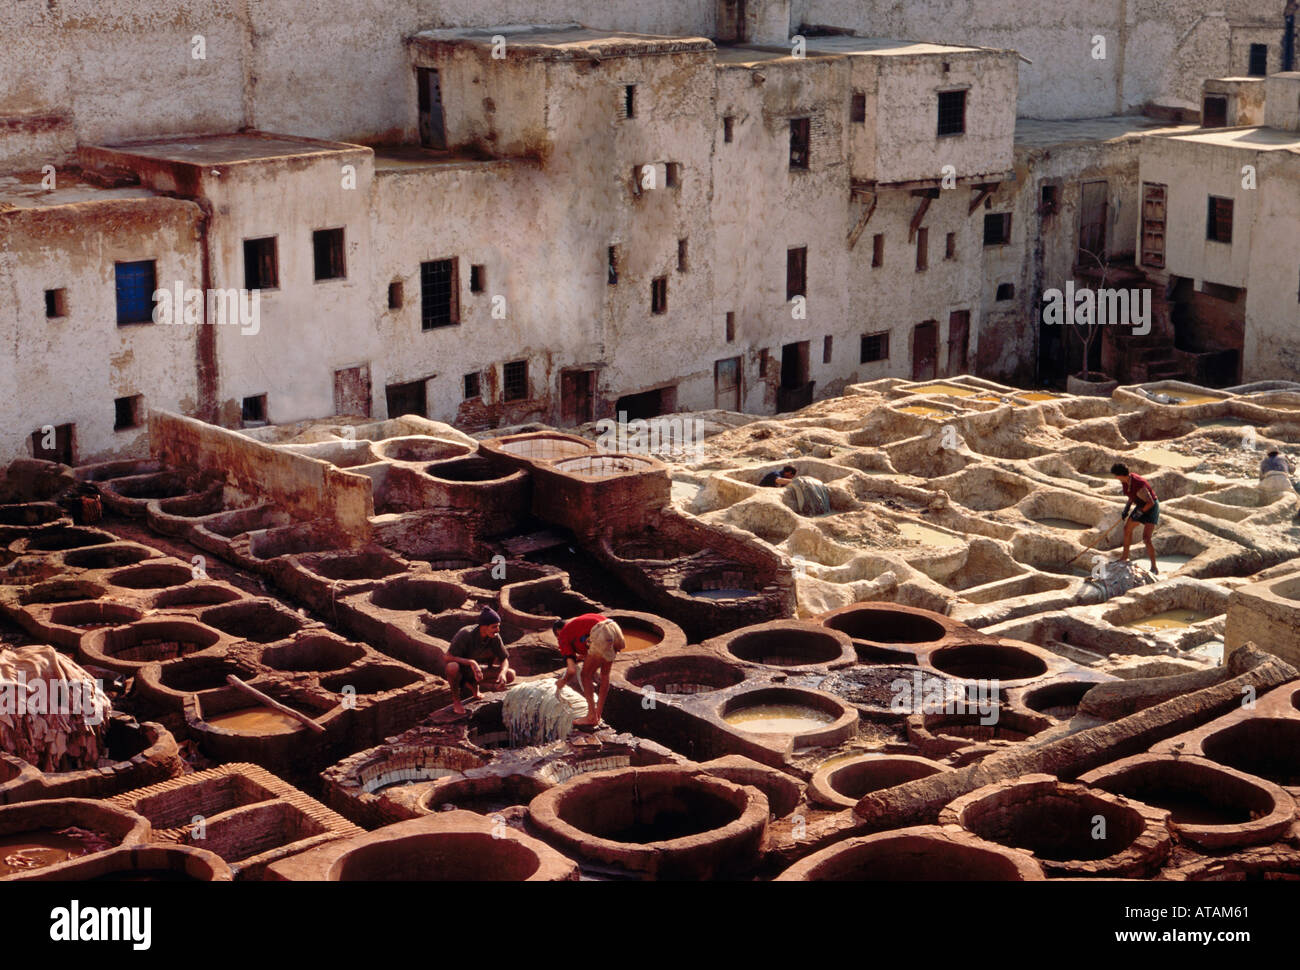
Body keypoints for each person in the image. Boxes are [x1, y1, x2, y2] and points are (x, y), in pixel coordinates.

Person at [551, 613, 624, 728]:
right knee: (605, 675)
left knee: (586, 675)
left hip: (602, 632)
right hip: (614, 629)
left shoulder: (563, 636)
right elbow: (590, 643)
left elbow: (571, 671)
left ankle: (591, 716)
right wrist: (582, 657)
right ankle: (597, 715)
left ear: (557, 633)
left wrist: (562, 682)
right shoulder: (576, 625)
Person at [445, 607, 515, 715]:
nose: (498, 630)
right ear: (483, 627)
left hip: (476, 672)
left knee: (510, 674)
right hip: (462, 672)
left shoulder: (494, 637)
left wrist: (503, 673)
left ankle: (473, 685)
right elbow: (447, 657)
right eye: (494, 627)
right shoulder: (465, 634)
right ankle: (456, 702)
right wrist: (471, 662)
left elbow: (504, 658)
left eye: (498, 626)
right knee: (452, 667)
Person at [1111, 462, 1160, 573]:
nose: (1116, 477)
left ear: (1120, 475)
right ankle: (1124, 557)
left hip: (1151, 508)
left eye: (1116, 475)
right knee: (1127, 529)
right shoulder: (1126, 482)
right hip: (1141, 506)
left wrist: (1139, 513)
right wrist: (1126, 510)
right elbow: (1131, 497)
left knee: (1146, 539)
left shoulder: (1138, 483)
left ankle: (1154, 567)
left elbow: (1150, 502)